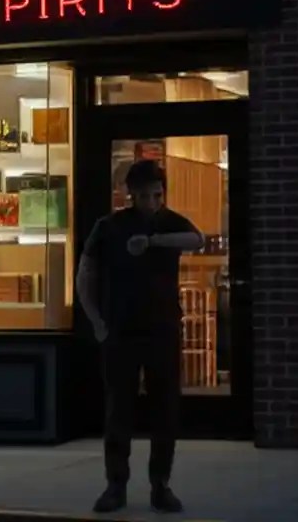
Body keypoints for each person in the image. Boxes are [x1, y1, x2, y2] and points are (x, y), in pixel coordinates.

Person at [76, 159, 203, 514]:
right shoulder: (109, 227)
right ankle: (115, 485)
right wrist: (96, 321)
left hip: (162, 329)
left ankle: (160, 484)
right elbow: (86, 274)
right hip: (120, 329)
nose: (152, 202)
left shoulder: (169, 222)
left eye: (157, 195)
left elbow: (197, 239)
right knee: (119, 410)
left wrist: (152, 241)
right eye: (145, 196)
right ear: (130, 194)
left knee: (166, 410)